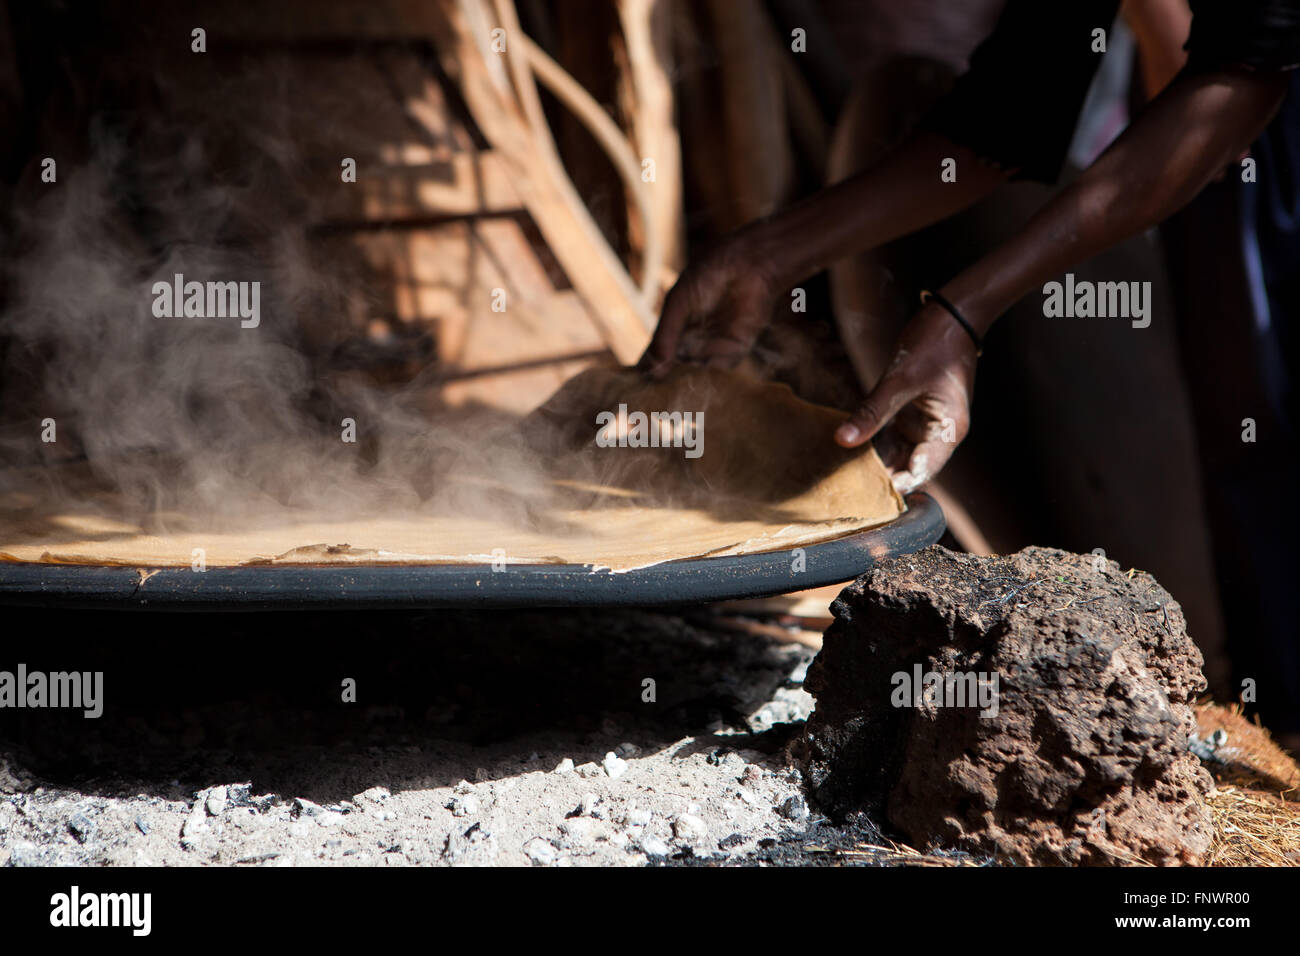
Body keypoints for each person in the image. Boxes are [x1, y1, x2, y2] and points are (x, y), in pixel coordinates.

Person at [641, 0, 1300, 743]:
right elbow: (1012, 110)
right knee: (1247, 455)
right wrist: (764, 257)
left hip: (1258, 126)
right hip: (1229, 138)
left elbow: (1238, 80)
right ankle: (1280, 720)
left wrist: (963, 313)